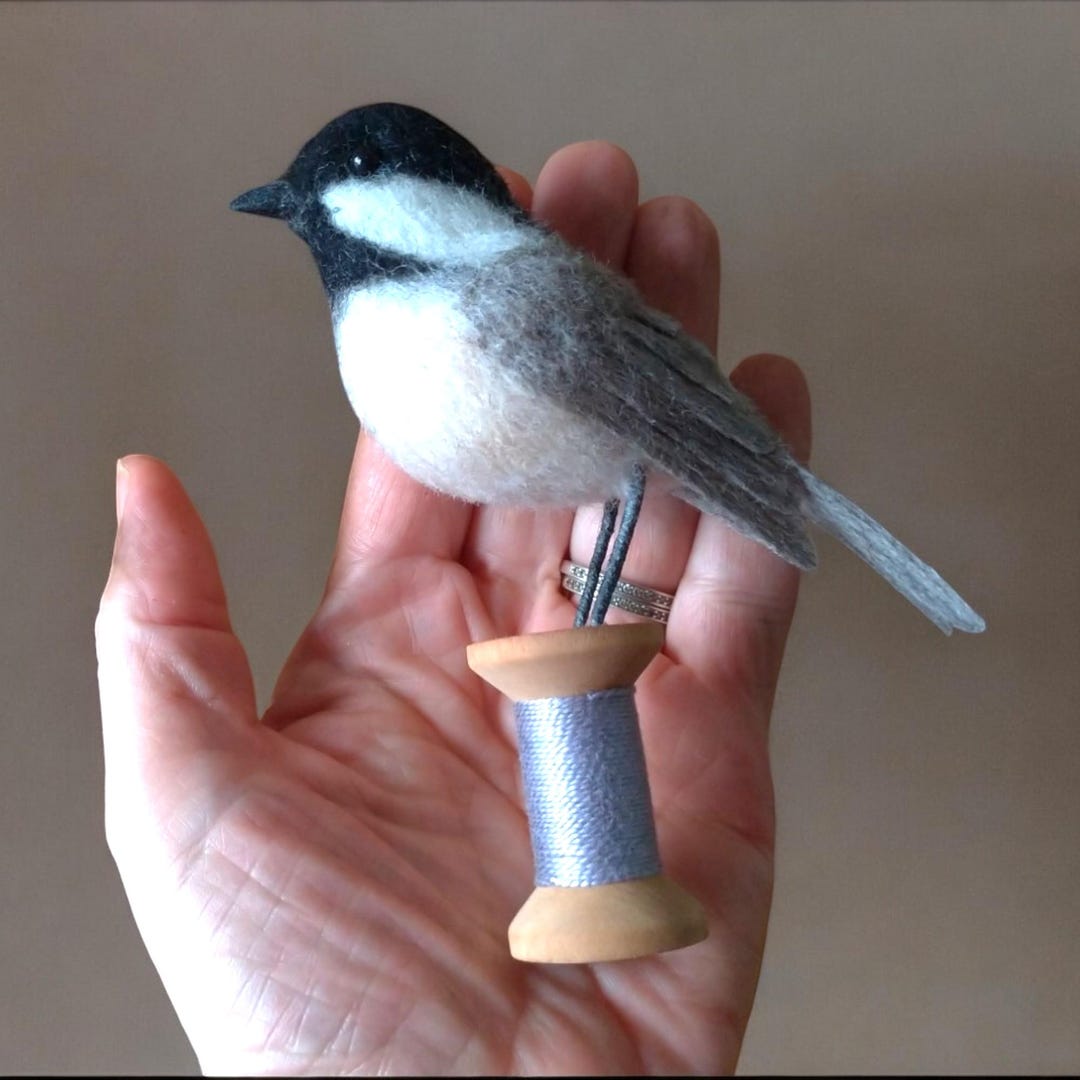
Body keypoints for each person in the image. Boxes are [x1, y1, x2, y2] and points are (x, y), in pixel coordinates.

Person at [96, 139, 811, 1075]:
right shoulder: (388, 323)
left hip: (622, 467)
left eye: (322, 200)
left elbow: (651, 428)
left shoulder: (492, 295)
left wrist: (741, 478)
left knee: (636, 491)